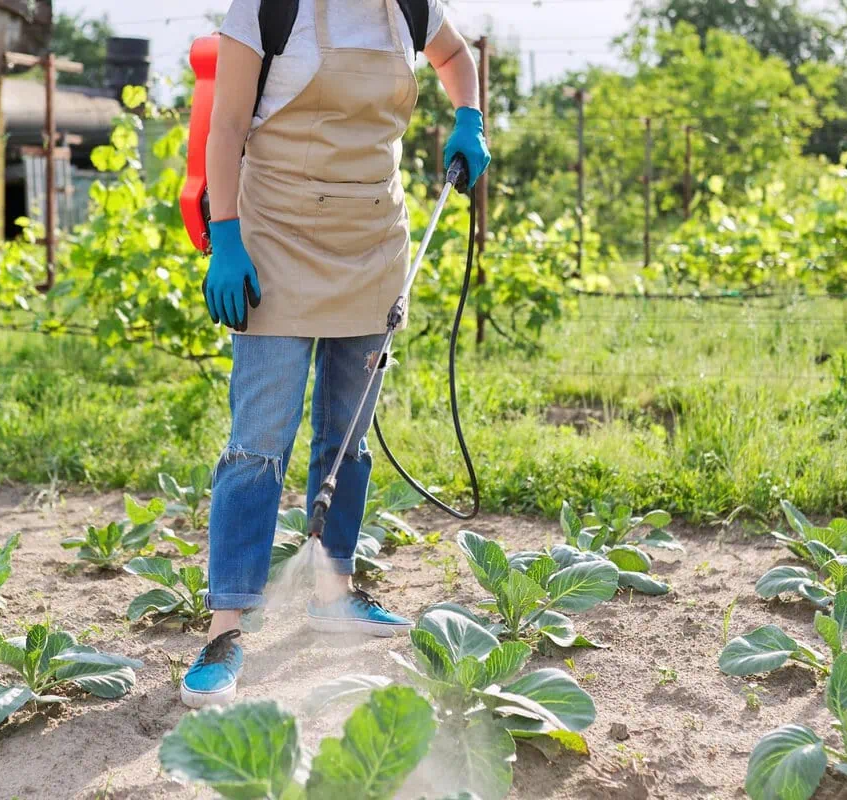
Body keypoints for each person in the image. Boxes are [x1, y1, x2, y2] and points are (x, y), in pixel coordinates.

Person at [181, 0, 491, 708]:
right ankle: (226, 630)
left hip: (373, 240)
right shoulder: (266, 7)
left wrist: (468, 117)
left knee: (349, 435)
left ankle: (331, 592)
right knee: (258, 443)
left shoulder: (408, 5)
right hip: (276, 238)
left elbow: (456, 59)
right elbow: (227, 127)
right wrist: (224, 238)